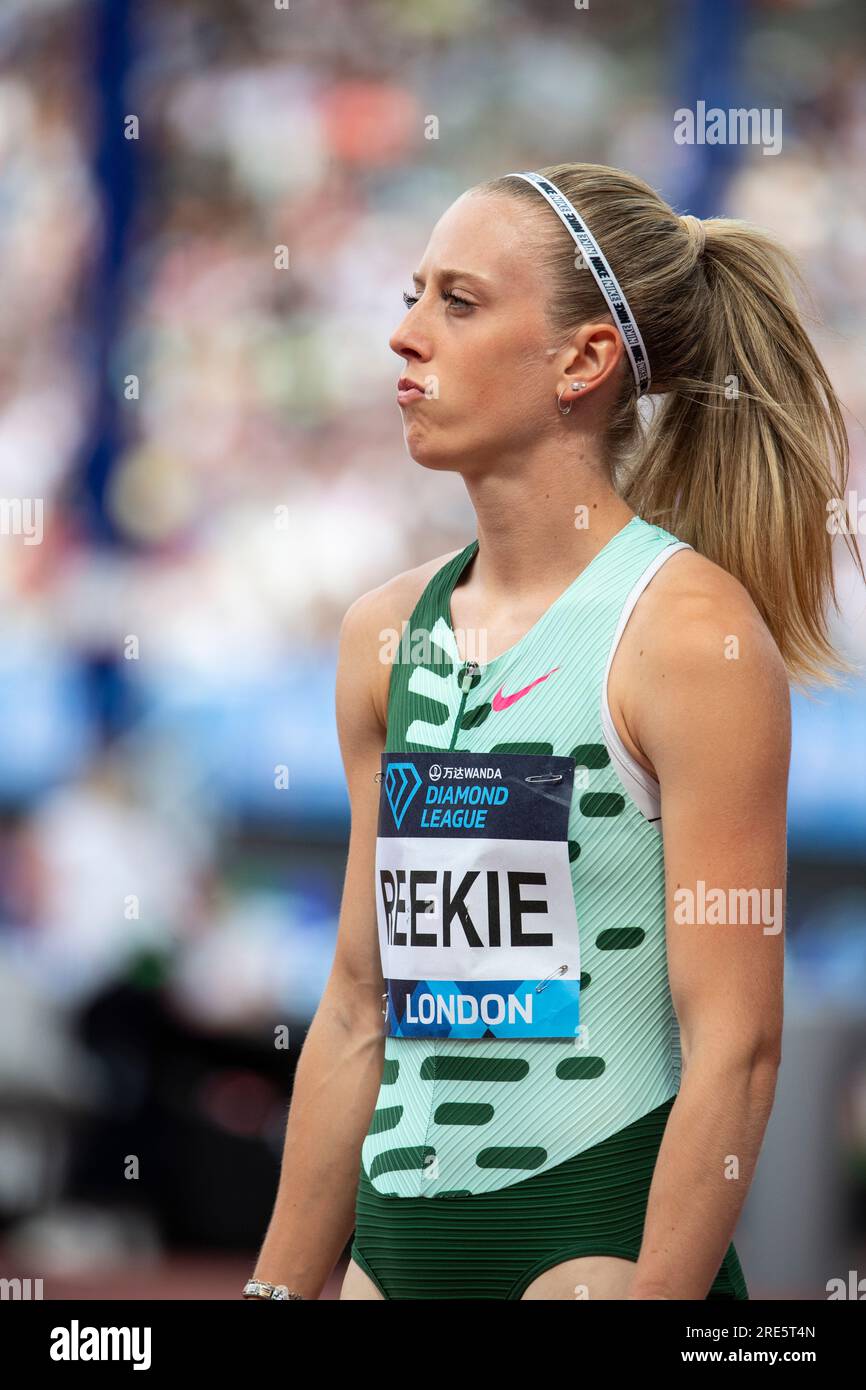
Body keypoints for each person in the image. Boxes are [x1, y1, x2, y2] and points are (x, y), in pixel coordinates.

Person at [245, 162, 864, 1302]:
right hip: (394, 1255)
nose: (403, 336)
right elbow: (351, 1011)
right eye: (409, 292)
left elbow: (735, 1046)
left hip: (588, 1250)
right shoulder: (383, 636)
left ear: (581, 361)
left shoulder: (683, 634)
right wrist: (275, 1295)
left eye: (457, 302)